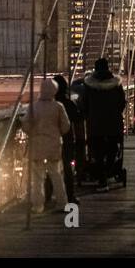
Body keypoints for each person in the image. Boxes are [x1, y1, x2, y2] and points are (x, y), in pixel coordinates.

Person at [22, 77, 72, 214]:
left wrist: (32, 132)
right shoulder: (58, 107)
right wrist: (58, 133)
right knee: (56, 175)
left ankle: (38, 205)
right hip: (53, 145)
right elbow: (66, 126)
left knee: (37, 177)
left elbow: (26, 125)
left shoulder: (33, 107)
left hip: (37, 145)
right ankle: (62, 203)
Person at [79, 57, 126, 192]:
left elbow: (84, 104)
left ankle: (101, 178)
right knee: (112, 148)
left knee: (97, 152)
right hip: (114, 123)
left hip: (95, 124)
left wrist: (89, 115)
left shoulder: (89, 86)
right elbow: (121, 103)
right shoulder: (116, 85)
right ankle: (109, 170)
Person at [51, 74, 80, 204]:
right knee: (67, 168)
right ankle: (70, 196)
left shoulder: (49, 105)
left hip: (51, 140)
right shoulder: (68, 104)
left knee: (50, 169)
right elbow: (76, 119)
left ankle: (48, 195)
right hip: (67, 139)